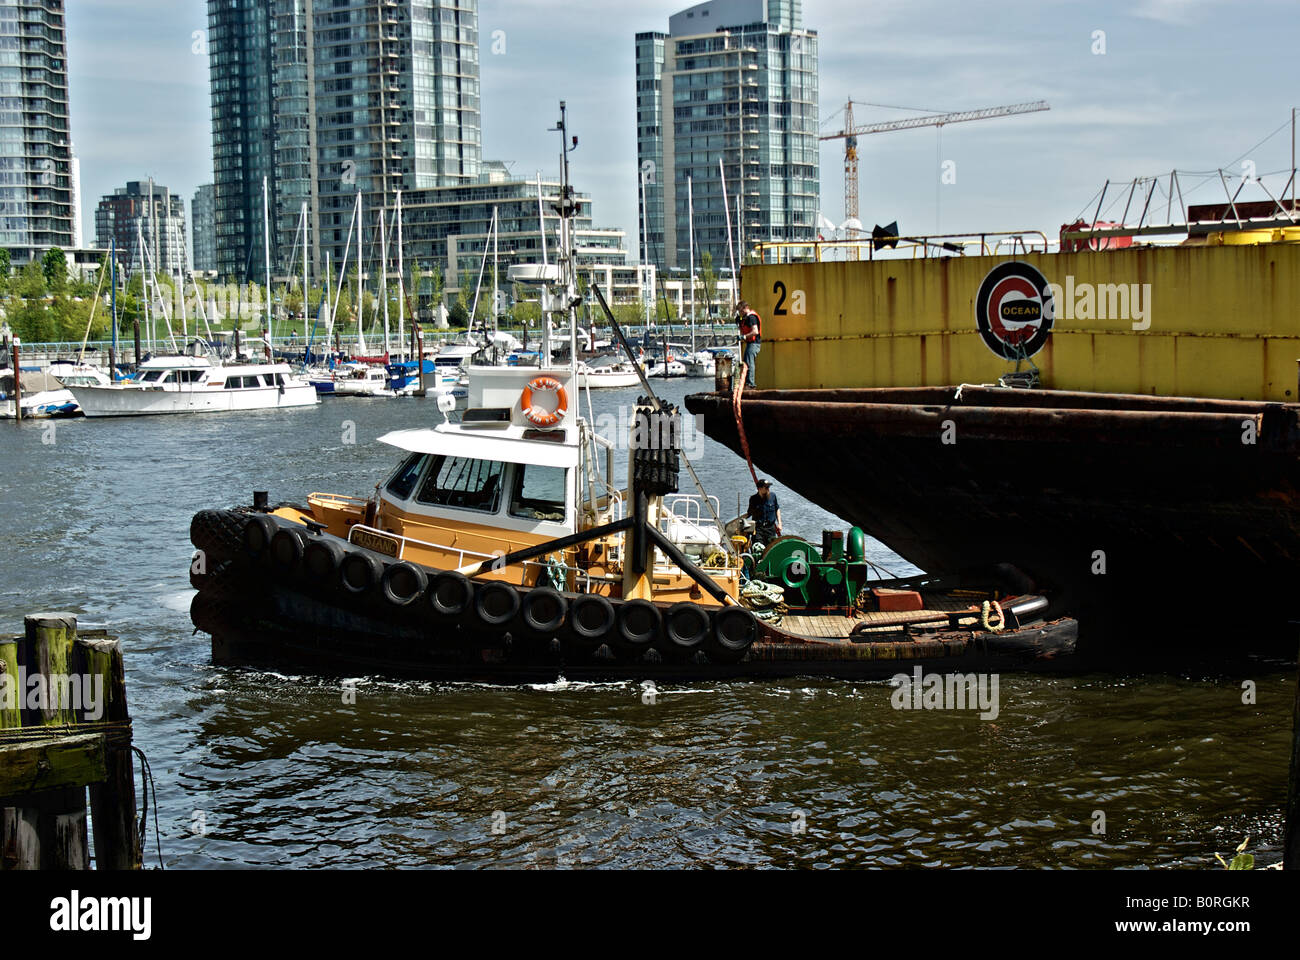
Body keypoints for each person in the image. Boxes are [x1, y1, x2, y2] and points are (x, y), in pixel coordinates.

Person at [747, 479, 782, 546]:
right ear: (759, 489)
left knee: (771, 549)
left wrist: (780, 523)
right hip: (758, 529)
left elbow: (777, 509)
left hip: (770, 529)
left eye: (768, 487)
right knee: (758, 548)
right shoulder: (753, 499)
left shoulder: (773, 496)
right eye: (766, 487)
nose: (768, 489)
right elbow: (749, 513)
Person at [735, 300, 762, 387]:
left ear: (745, 308)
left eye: (741, 311)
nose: (740, 313)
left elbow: (755, 331)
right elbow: (742, 325)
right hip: (750, 344)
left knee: (749, 362)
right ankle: (748, 382)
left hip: (754, 344)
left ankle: (750, 383)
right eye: (739, 311)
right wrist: (739, 322)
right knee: (746, 362)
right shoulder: (745, 318)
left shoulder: (751, 318)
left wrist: (744, 337)